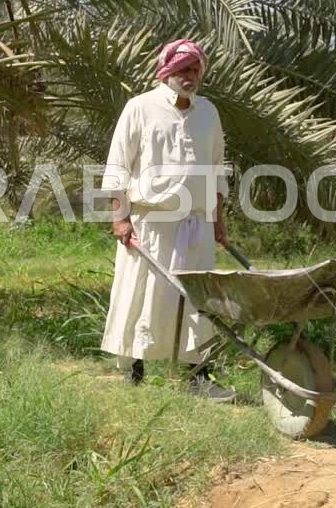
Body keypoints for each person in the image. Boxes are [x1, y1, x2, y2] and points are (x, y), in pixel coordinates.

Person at [98, 38, 235, 403]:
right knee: (143, 293)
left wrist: (218, 221)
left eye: (195, 69)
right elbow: (118, 166)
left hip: (197, 223)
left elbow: (218, 170)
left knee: (199, 299)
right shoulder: (139, 108)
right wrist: (120, 218)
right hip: (150, 223)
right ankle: (134, 371)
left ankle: (198, 375)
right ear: (167, 70)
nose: (190, 76)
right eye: (183, 69)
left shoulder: (209, 112)